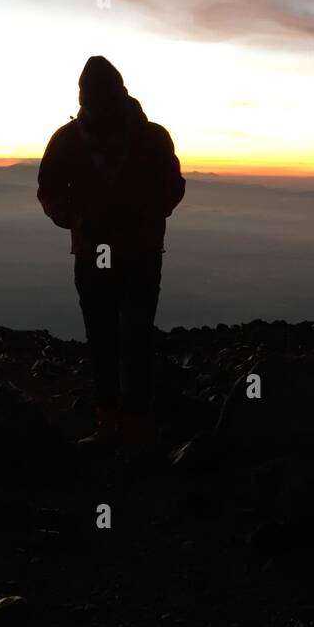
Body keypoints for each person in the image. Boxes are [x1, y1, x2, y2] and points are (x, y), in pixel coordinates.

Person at [38, 56, 185, 450]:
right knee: (117, 335)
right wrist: (76, 218)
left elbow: (172, 187)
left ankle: (123, 422)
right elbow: (50, 191)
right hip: (121, 249)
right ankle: (119, 421)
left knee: (121, 335)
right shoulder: (145, 135)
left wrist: (82, 219)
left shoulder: (145, 136)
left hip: (128, 250)